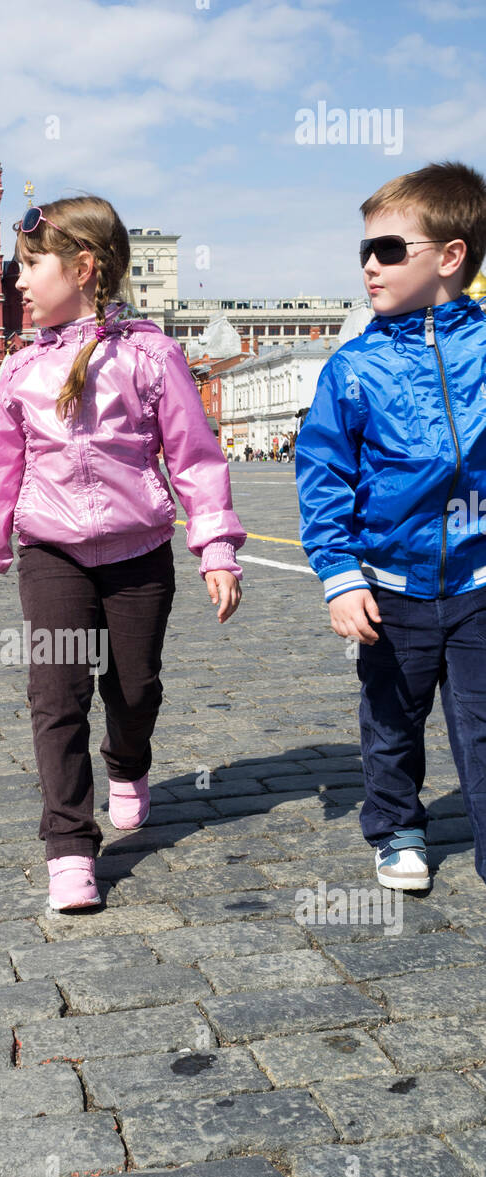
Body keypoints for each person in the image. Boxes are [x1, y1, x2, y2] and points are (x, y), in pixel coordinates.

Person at [0, 195, 244, 912]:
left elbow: (194, 457)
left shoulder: (150, 355)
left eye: (30, 267)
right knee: (55, 696)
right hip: (51, 552)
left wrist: (214, 548)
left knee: (134, 686)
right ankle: (68, 845)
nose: (16, 283)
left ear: (84, 268)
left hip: (138, 550)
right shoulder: (20, 373)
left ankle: (129, 760)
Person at [296, 159, 486, 892]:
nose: (368, 267)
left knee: (480, 724)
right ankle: (396, 827)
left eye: (386, 250)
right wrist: (340, 577)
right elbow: (322, 477)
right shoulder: (352, 367)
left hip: (477, 581)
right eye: (363, 252)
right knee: (390, 720)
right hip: (389, 586)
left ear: (448, 257)